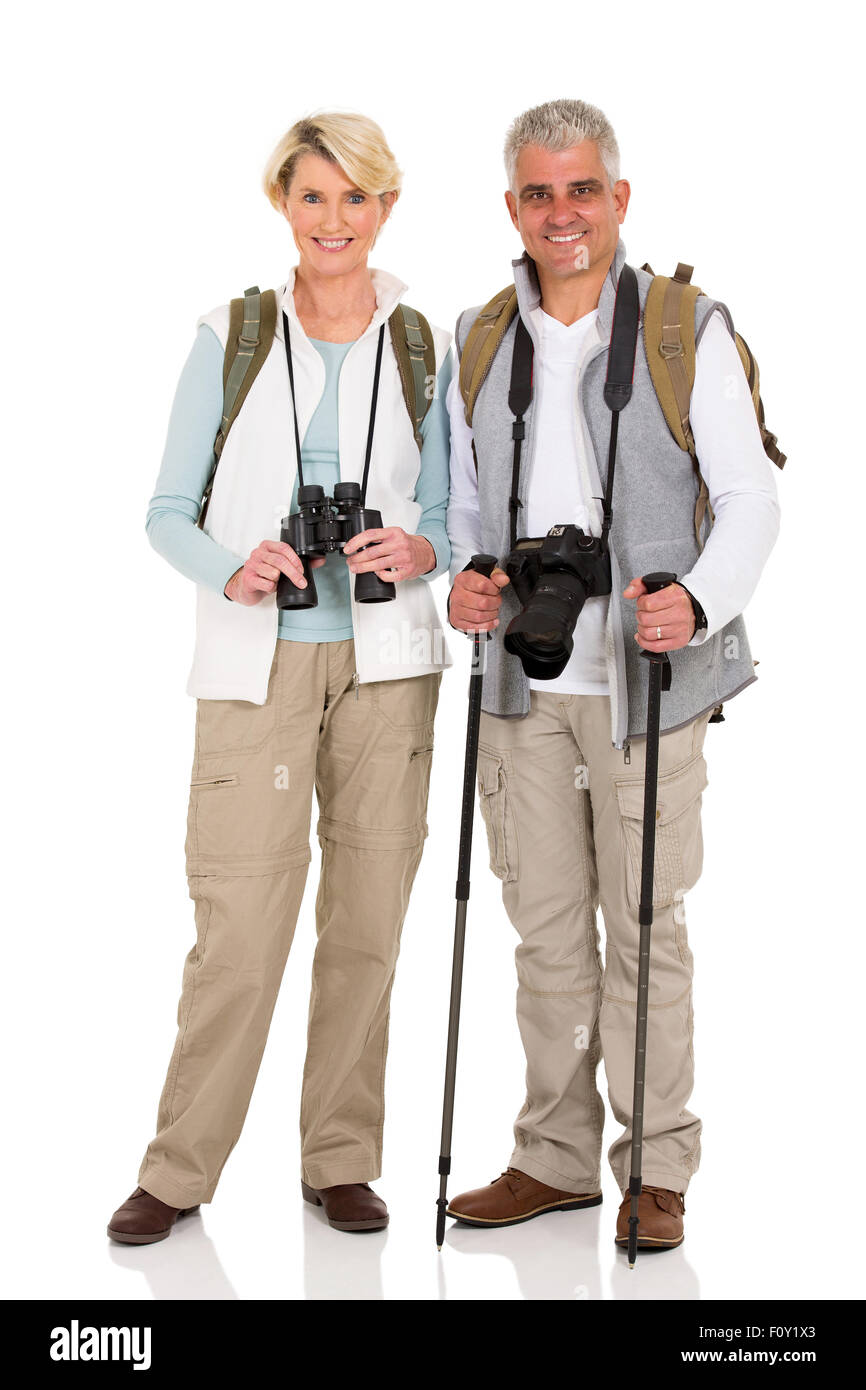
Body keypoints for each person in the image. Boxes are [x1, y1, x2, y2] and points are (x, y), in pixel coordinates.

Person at [108, 111, 453, 1243]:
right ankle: (179, 1166)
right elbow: (166, 513)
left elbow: (449, 512)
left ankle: (340, 1157)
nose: (334, 220)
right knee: (241, 927)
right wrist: (236, 563)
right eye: (313, 197)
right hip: (255, 668)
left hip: (387, 663)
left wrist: (418, 547)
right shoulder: (231, 333)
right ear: (282, 205)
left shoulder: (424, 343)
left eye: (356, 198)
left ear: (385, 208)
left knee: (367, 922)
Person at [444, 98, 780, 1252]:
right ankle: (550, 1157)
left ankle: (654, 1166)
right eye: (537, 193)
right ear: (511, 208)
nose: (561, 213)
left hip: (648, 681)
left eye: (580, 189)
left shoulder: (686, 325)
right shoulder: (480, 336)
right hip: (522, 683)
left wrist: (696, 598)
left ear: (617, 198)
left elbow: (746, 498)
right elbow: (465, 508)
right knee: (540, 928)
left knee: (643, 924)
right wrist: (463, 580)